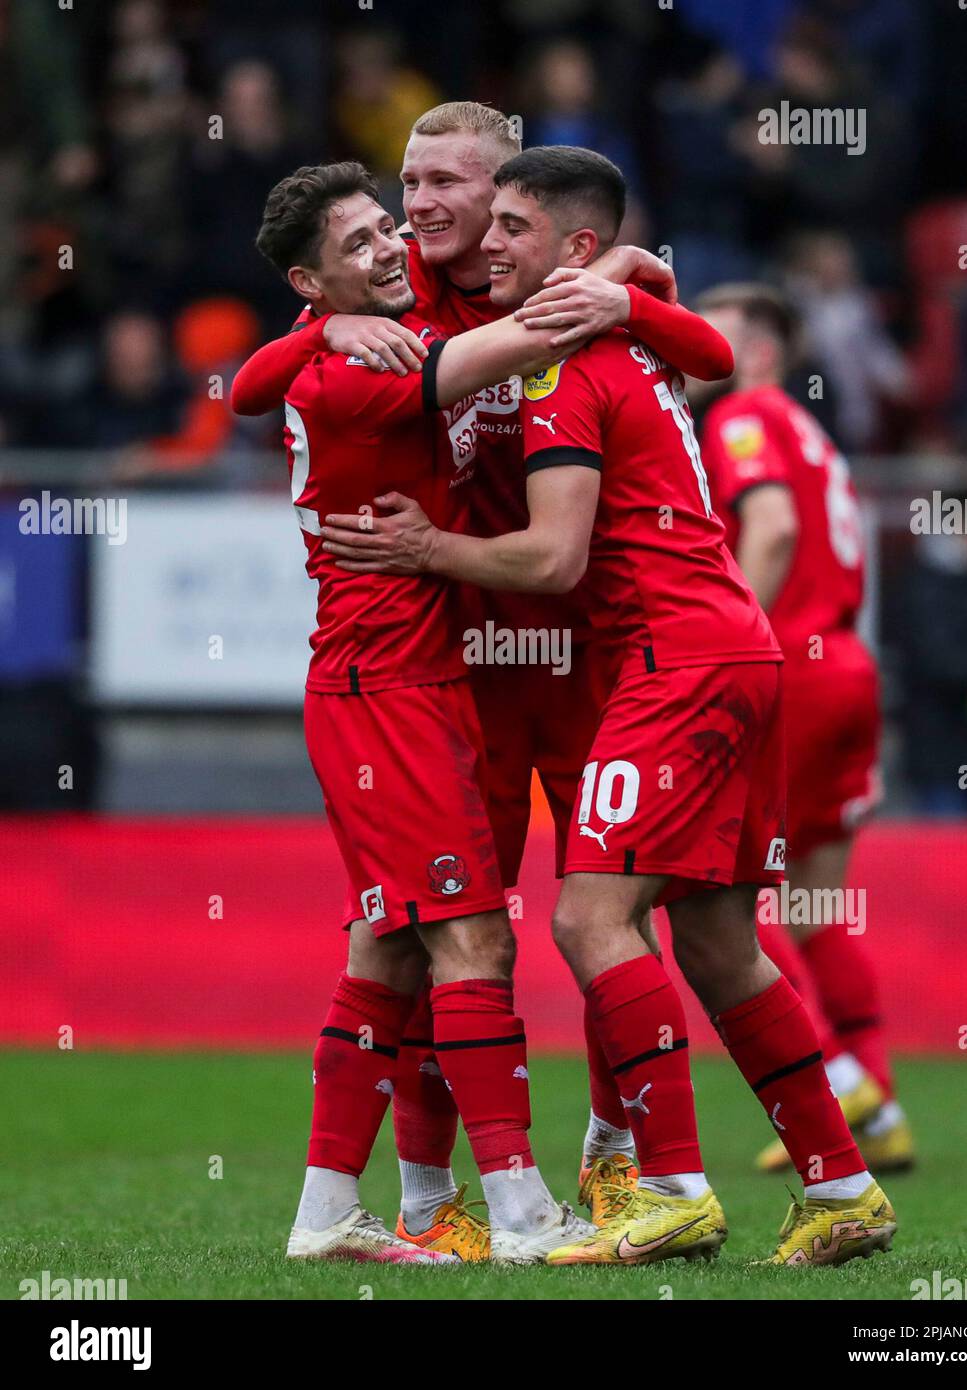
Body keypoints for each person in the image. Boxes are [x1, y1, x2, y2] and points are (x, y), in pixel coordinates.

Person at [322, 145, 898, 1268]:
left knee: (588, 917)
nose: (487, 241)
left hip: (672, 658)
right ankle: (843, 1186)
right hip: (737, 648)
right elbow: (710, 346)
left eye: (514, 226)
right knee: (724, 939)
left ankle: (667, 1186)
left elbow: (549, 557)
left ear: (572, 250)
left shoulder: (559, 366)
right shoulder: (623, 330)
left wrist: (420, 546)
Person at [232, 101, 735, 1254]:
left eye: (448, 185)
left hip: (573, 653)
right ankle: (436, 1192)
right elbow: (257, 379)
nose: (419, 210)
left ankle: (612, 1159)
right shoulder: (386, 289)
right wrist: (319, 335)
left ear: (510, 198)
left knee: (580, 914)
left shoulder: (517, 283)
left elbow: (715, 356)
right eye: (408, 185)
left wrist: (625, 292)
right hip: (449, 654)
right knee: (455, 929)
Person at [255, 158, 600, 1264]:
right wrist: (625, 272)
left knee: (388, 949)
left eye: (382, 230)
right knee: (472, 936)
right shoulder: (365, 376)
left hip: (400, 685)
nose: (387, 249)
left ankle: (323, 1213)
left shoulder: (345, 350)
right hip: (384, 695)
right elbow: (541, 336)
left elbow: (261, 372)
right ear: (312, 281)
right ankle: (518, 1212)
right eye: (355, 246)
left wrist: (313, 331)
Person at [694, 282, 915, 1173]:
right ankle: (880, 1108)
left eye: (713, 332)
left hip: (786, 668)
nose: (695, 346)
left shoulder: (743, 416)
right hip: (846, 669)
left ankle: (830, 1069)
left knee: (718, 897)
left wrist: (727, 638)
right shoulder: (810, 430)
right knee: (818, 902)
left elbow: (774, 528)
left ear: (760, 349)